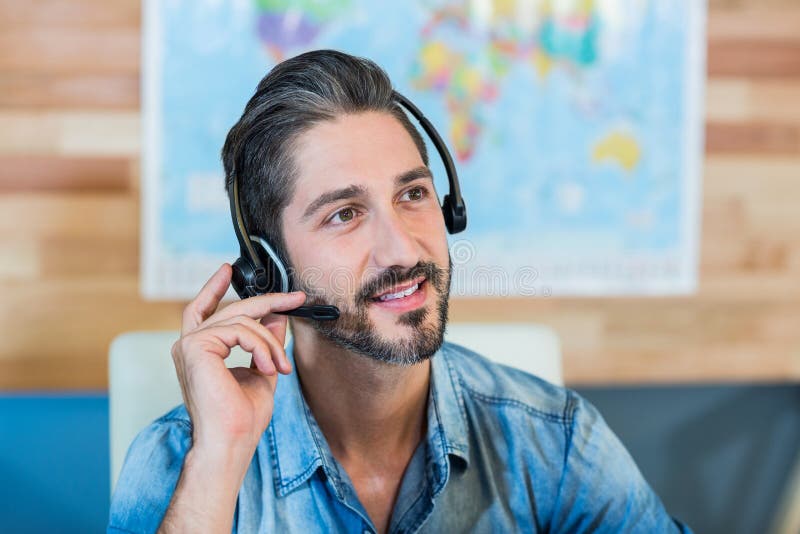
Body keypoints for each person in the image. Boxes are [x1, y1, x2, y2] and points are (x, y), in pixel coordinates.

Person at [108, 49, 690, 533]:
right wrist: (219, 459)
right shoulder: (183, 461)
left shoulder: (555, 440)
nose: (405, 251)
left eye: (412, 195)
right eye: (344, 213)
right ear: (268, 267)